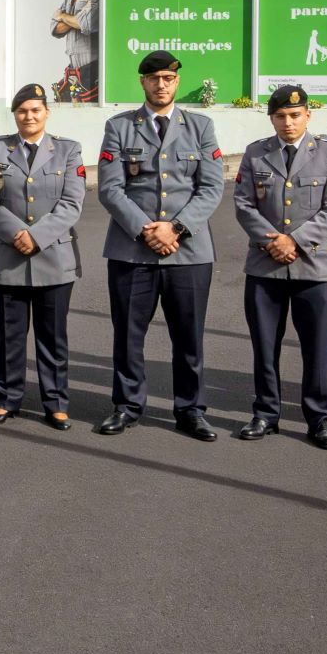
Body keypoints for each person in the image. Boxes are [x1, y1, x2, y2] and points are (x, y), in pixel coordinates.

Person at [94, 50, 224, 439]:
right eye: (154, 78)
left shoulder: (200, 126)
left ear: (177, 81)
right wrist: (147, 229)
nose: (162, 84)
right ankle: (128, 405)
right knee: (129, 335)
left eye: (168, 77)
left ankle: (190, 409)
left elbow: (212, 187)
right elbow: (110, 188)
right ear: (142, 82)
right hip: (133, 250)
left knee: (189, 336)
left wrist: (176, 229)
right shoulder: (119, 126)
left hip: (188, 253)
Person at [231, 84, 327, 449]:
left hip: (314, 266)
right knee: (265, 346)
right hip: (265, 267)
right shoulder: (256, 154)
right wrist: (273, 241)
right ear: (271, 118)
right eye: (281, 116)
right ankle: (266, 413)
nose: (288, 122)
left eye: (295, 115)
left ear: (308, 116)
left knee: (317, 348)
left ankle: (320, 420)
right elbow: (243, 203)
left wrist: (294, 241)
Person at [0, 83, 85, 429]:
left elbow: (71, 202)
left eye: (36, 110)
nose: (29, 116)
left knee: (53, 337)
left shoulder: (68, 151)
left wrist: (36, 237)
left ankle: (56, 403)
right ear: (15, 115)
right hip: (8, 257)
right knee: (10, 335)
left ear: (47, 113)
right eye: (22, 111)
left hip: (54, 258)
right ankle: (8, 400)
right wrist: (16, 234)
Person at [51, 0, 100, 103]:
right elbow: (55, 29)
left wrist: (63, 16)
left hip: (93, 68)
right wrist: (76, 18)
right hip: (74, 70)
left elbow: (85, 23)